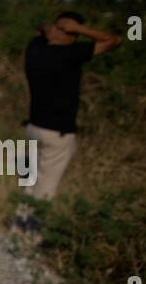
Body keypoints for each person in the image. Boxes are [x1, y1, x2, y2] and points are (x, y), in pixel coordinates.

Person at [21, 11, 121, 205]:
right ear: (73, 35)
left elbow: (38, 31)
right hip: (58, 131)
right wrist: (80, 29)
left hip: (34, 126)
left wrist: (47, 28)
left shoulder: (35, 50)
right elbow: (115, 41)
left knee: (32, 182)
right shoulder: (73, 54)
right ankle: (32, 232)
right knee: (46, 186)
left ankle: (20, 224)